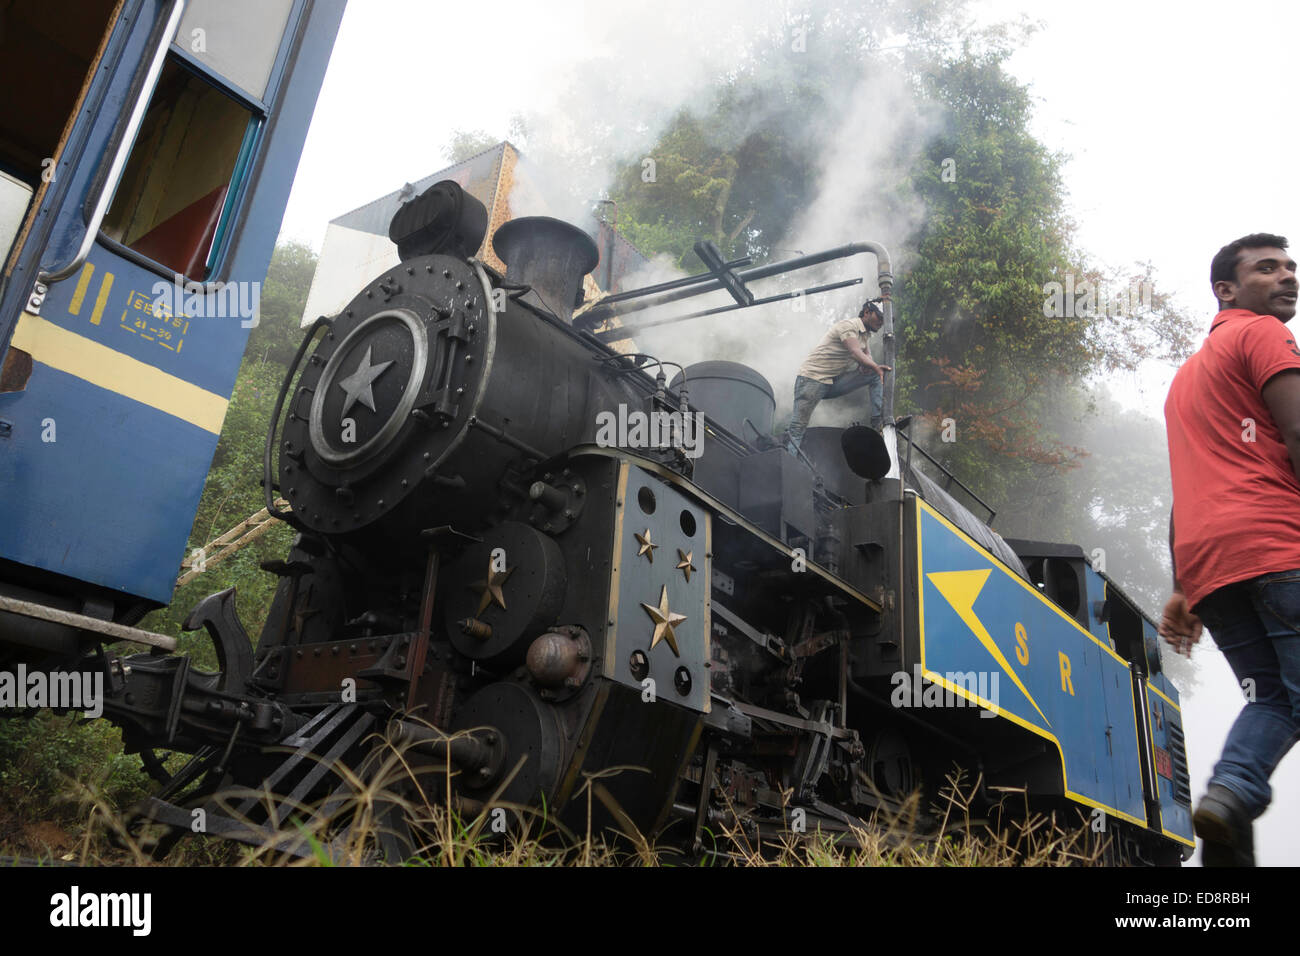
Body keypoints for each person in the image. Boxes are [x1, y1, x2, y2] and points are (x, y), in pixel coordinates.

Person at [1160, 232, 1300, 867]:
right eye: (1267, 269)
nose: (1287, 278)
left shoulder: (1186, 381)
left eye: (1291, 268)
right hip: (1277, 546)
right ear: (1226, 289)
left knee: (1270, 698)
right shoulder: (1263, 334)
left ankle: (1225, 861)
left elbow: (1185, 491)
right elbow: (1298, 428)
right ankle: (1236, 791)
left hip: (1213, 568)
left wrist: (1185, 588)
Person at [785, 299, 892, 454]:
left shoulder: (865, 335)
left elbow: (867, 358)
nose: (882, 322)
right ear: (867, 312)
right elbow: (855, 351)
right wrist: (874, 367)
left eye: (884, 319)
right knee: (798, 427)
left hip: (831, 383)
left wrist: (871, 368)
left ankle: (878, 423)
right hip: (811, 380)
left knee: (875, 375)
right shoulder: (849, 326)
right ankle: (788, 461)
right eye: (880, 317)